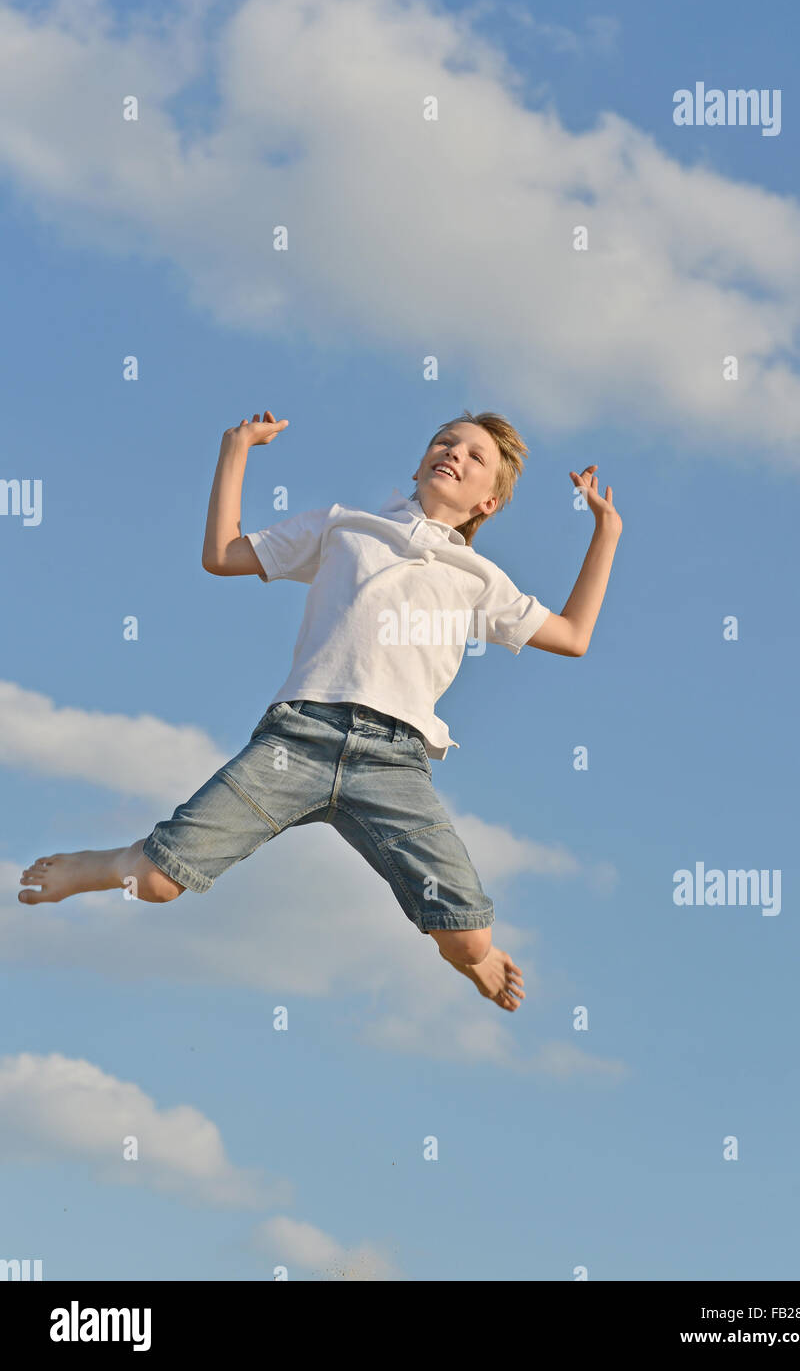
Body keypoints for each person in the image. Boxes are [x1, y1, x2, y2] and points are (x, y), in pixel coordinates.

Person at [18, 409, 622, 1012]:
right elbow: (223, 554)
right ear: (418, 464)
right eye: (445, 441)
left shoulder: (480, 578)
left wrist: (606, 531)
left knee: (469, 939)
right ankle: (102, 863)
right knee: (154, 882)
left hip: (393, 765)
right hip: (297, 742)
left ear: (487, 502)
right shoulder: (344, 528)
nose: (454, 453)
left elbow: (573, 635)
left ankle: (473, 963)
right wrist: (237, 450)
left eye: (475, 456)